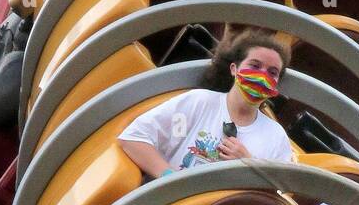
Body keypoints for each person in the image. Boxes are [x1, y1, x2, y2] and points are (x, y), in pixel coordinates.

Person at [117, 27, 295, 176]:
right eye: (255, 66)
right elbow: (133, 138)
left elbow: (281, 193)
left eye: (272, 72)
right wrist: (170, 180)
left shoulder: (276, 137)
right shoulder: (199, 102)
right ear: (234, 69)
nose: (262, 75)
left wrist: (248, 164)